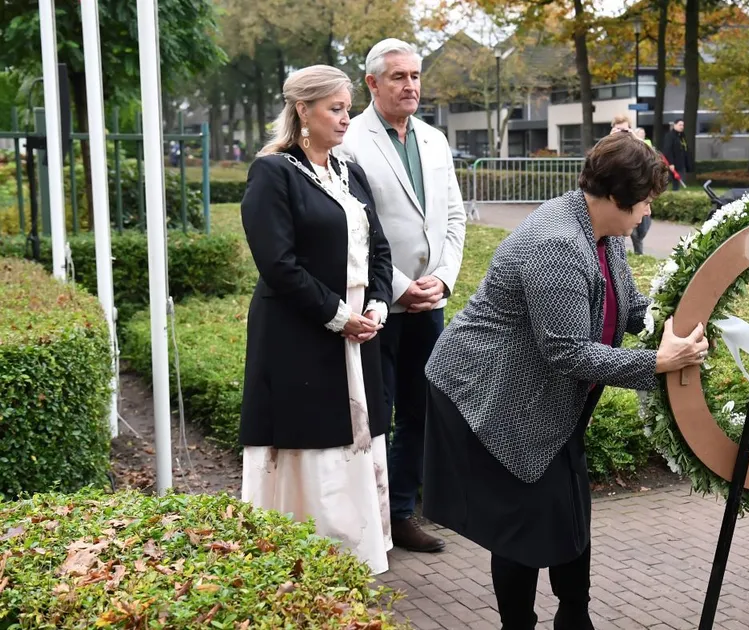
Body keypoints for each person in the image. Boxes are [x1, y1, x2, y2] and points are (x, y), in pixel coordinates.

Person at [422, 133, 708, 629]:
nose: (646, 216)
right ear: (617, 198)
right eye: (643, 204)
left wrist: (677, 322)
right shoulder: (557, 243)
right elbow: (567, 351)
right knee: (524, 526)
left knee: (570, 512)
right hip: (488, 395)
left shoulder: (602, 233)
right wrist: (657, 364)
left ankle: (574, 617)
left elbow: (629, 307)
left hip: (536, 394)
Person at [238, 65, 395, 574]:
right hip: (300, 333)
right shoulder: (273, 172)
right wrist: (338, 315)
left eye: (347, 108)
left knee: (357, 434)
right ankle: (308, 559)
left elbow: (380, 248)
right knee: (313, 441)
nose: (347, 118)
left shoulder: (351, 170)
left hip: (358, 330)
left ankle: (356, 553)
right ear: (302, 110)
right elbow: (279, 265)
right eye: (336, 108)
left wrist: (375, 305)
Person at [337, 39, 467, 553]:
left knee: (420, 409)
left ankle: (402, 512)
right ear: (372, 83)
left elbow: (455, 217)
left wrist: (443, 279)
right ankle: (368, 517)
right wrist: (395, 287)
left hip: (429, 303)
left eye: (415, 75)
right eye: (398, 77)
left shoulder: (435, 140)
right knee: (374, 409)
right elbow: (355, 230)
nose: (410, 85)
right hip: (376, 305)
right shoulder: (350, 143)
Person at [663, 118, 692, 190]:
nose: (682, 127)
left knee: (681, 179)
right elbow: (667, 150)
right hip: (674, 163)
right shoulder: (670, 136)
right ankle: (675, 193)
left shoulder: (682, 136)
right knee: (675, 181)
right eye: (680, 125)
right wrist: (671, 163)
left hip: (682, 163)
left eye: (683, 125)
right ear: (675, 125)